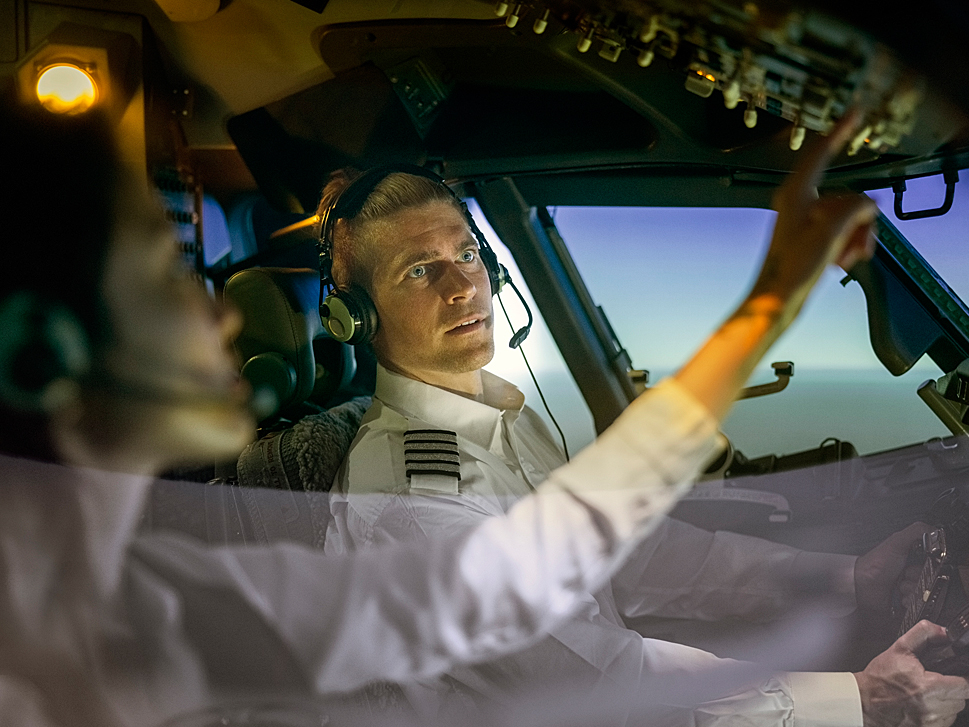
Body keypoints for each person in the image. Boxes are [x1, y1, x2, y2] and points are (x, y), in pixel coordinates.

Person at [0, 99, 810, 727]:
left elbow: (514, 571)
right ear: (42, 353)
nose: (222, 315)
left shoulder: (172, 600)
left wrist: (767, 306)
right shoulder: (395, 497)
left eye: (467, 256)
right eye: (163, 275)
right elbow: (572, 660)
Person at [325, 113, 969, 726]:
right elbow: (596, 684)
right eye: (419, 270)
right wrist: (860, 702)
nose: (463, 286)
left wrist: (847, 578)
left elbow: (630, 560)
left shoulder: (501, 419)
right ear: (359, 316)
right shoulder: (412, 505)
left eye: (467, 255)